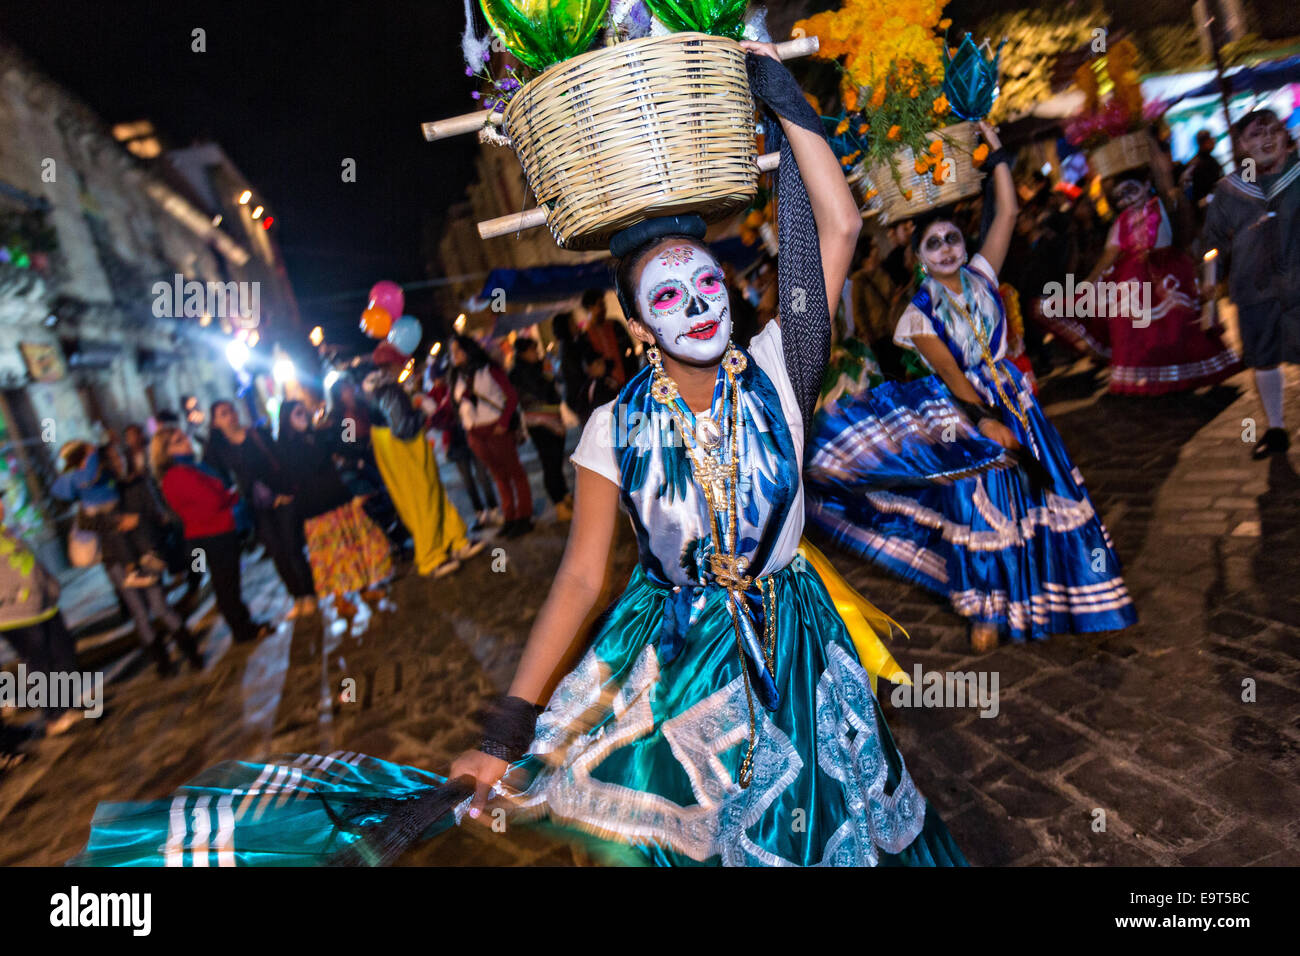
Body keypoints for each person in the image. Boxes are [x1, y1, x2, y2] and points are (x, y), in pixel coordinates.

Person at [70, 45, 964, 868]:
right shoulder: (612, 429)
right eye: (669, 294)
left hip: (805, 647)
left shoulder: (781, 366)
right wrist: (503, 733)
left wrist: (786, 103)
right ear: (636, 322)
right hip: (691, 668)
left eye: (706, 283)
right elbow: (579, 580)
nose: (698, 303)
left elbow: (835, 230)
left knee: (841, 818)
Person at [805, 121, 1137, 652]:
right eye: (933, 243)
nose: (945, 249)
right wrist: (984, 420)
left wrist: (998, 152)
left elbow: (1005, 213)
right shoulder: (916, 314)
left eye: (952, 238)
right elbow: (951, 371)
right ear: (918, 256)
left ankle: (1041, 597)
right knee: (976, 508)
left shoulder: (983, 275)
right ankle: (984, 610)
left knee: (1030, 500)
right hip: (965, 410)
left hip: (1017, 399)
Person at [1081, 161, 1240, 395]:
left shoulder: (1164, 206)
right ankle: (1158, 379)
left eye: (1131, 190)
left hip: (1170, 276)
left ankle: (1186, 374)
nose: (1127, 198)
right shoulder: (1120, 222)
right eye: (1120, 196)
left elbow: (1184, 229)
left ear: (1146, 185)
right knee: (1135, 331)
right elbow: (1110, 254)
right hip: (1135, 283)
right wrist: (1090, 281)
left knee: (1179, 326)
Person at [1201, 108, 1300, 459]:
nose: (1266, 139)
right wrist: (1210, 282)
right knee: (1265, 360)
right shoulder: (1229, 190)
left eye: (1272, 130)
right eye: (1255, 135)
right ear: (1242, 145)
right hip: (1255, 288)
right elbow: (1213, 242)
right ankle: (1276, 429)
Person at [365, 341, 482, 577]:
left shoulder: (378, 390)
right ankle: (431, 558)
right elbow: (402, 428)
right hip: (406, 455)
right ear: (393, 364)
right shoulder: (389, 391)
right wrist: (423, 412)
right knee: (423, 503)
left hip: (402, 454)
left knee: (434, 496)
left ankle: (455, 540)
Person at [153, 426, 269, 645]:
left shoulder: (192, 467)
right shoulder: (178, 474)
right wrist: (229, 495)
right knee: (226, 585)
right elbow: (213, 500)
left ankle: (244, 623)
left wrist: (225, 495)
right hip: (210, 534)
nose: (186, 441)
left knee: (228, 583)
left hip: (216, 530)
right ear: (166, 451)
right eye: (178, 440)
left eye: (183, 437)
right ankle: (242, 629)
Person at [276, 400, 392, 616]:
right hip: (317, 509)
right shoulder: (286, 447)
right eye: (297, 414)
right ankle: (339, 599)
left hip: (338, 499)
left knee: (353, 546)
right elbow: (314, 463)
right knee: (332, 556)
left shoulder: (316, 435)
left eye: (304, 412)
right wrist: (320, 436)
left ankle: (364, 588)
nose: (303, 417)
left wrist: (338, 424)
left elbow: (344, 445)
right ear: (287, 420)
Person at [205, 400, 317, 617]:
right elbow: (213, 474)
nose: (231, 416)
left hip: (281, 498)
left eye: (231, 410)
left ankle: (309, 593)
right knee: (277, 552)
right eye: (223, 414)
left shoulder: (257, 435)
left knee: (292, 547)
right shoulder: (219, 449)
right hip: (255, 508)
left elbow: (280, 461)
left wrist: (285, 491)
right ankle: (297, 597)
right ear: (216, 422)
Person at [0, 497, 81, 736]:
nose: (2, 505)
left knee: (63, 651)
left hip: (43, 605)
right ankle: (53, 716)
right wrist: (17, 595)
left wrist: (50, 586)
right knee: (40, 663)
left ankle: (64, 706)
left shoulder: (6, 532)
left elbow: (29, 564)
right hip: (14, 614)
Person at [448, 334, 534, 538]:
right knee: (498, 476)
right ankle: (510, 516)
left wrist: (504, 423)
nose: (455, 356)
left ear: (469, 350)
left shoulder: (489, 369)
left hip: (496, 428)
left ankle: (524, 516)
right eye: (452, 353)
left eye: (458, 351)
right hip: (476, 434)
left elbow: (511, 396)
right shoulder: (456, 377)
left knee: (514, 471)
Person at [425, 366, 500, 531]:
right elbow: (434, 420)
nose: (440, 381)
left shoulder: (456, 388)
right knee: (468, 480)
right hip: (454, 441)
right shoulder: (431, 396)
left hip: (470, 434)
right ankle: (479, 513)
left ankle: (493, 509)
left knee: (482, 474)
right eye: (437, 378)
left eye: (442, 377)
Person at [509, 336, 573, 522]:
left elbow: (553, 386)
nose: (536, 353)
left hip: (554, 417)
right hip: (539, 423)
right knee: (549, 463)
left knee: (557, 461)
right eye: (532, 350)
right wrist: (546, 375)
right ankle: (558, 503)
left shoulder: (538, 367)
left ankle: (565, 496)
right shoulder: (518, 373)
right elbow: (538, 393)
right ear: (522, 353)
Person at [579, 287, 636, 387]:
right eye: (600, 305)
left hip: (626, 382)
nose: (604, 308)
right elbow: (592, 368)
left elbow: (629, 348)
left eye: (604, 304)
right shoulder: (584, 337)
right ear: (590, 308)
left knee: (624, 403)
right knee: (616, 403)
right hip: (606, 390)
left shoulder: (615, 325)